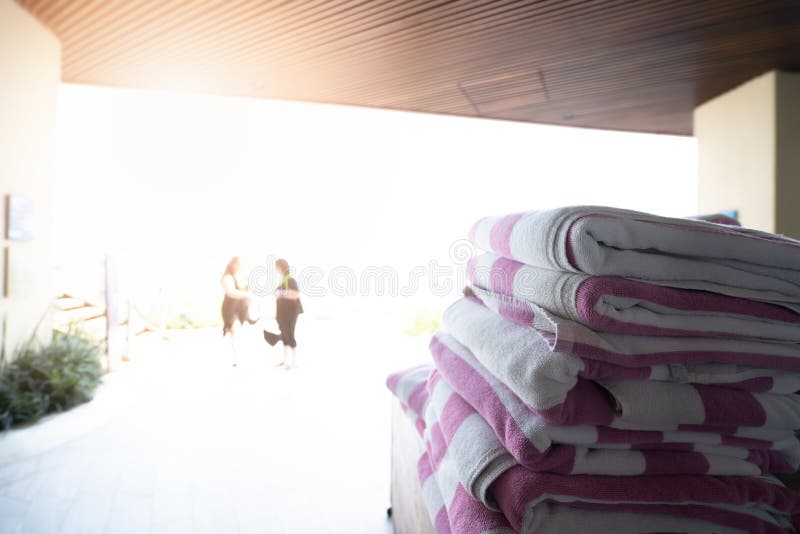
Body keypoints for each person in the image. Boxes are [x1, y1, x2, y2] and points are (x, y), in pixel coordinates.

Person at [263, 258, 303, 369]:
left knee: (290, 335)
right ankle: (286, 361)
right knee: (285, 336)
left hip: (290, 313)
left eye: (277, 267)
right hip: (283, 314)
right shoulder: (283, 280)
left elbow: (296, 294)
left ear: (281, 267)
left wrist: (280, 292)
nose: (276, 269)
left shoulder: (290, 280)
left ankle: (294, 362)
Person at [220, 256, 256, 366]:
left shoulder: (243, 277)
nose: (240, 265)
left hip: (242, 308)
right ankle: (237, 358)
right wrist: (247, 295)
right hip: (231, 308)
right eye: (238, 263)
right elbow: (230, 292)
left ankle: (241, 356)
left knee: (241, 331)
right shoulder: (227, 277)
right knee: (235, 331)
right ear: (233, 264)